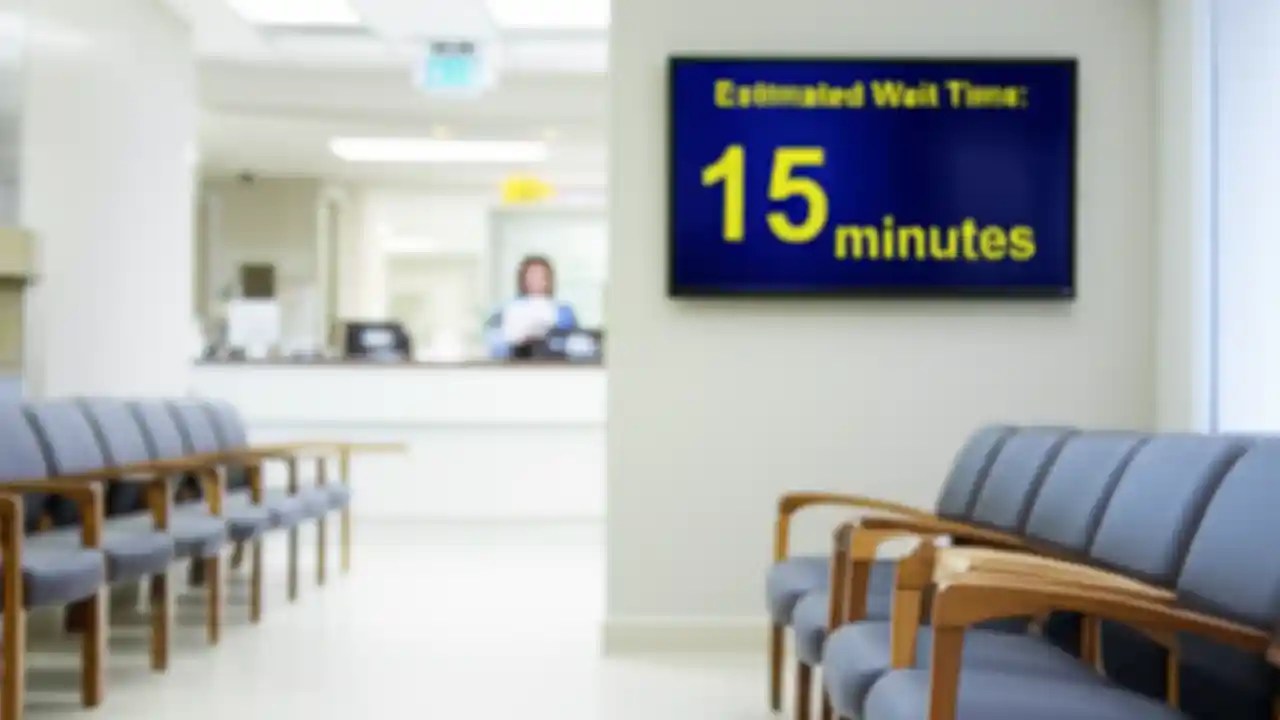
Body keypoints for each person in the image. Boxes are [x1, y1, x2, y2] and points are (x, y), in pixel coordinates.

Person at [486, 255, 578, 359]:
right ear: (523, 279)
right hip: (517, 362)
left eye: (541, 276)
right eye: (532, 276)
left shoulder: (564, 311)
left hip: (553, 363)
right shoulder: (505, 309)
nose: (536, 281)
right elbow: (494, 345)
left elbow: (576, 344)